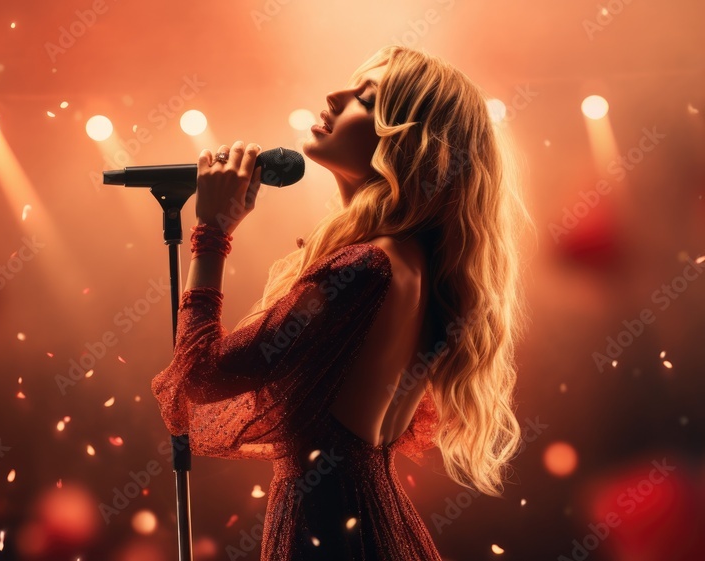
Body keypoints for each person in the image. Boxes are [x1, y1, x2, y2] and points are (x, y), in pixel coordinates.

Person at [151, 45, 534, 560]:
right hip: (368, 521)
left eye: (367, 99)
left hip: (328, 533)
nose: (336, 95)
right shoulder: (412, 261)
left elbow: (198, 379)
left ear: (407, 143)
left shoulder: (364, 268)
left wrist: (211, 233)